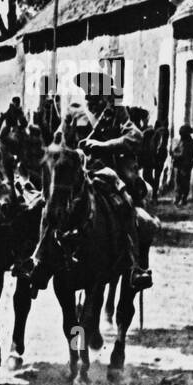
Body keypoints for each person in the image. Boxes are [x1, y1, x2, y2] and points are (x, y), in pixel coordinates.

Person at [65, 72, 153, 291]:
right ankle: (39, 260)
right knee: (50, 204)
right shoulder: (74, 112)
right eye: (88, 91)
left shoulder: (116, 113)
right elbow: (61, 139)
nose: (91, 96)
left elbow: (136, 137)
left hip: (105, 172)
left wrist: (105, 146)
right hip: (76, 172)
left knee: (125, 205)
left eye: (96, 91)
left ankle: (134, 267)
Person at [170, 124, 193, 206]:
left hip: (185, 165)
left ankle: (183, 198)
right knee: (179, 182)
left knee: (184, 182)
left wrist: (174, 154)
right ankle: (178, 198)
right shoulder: (183, 141)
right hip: (180, 165)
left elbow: (182, 154)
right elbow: (178, 150)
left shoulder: (188, 142)